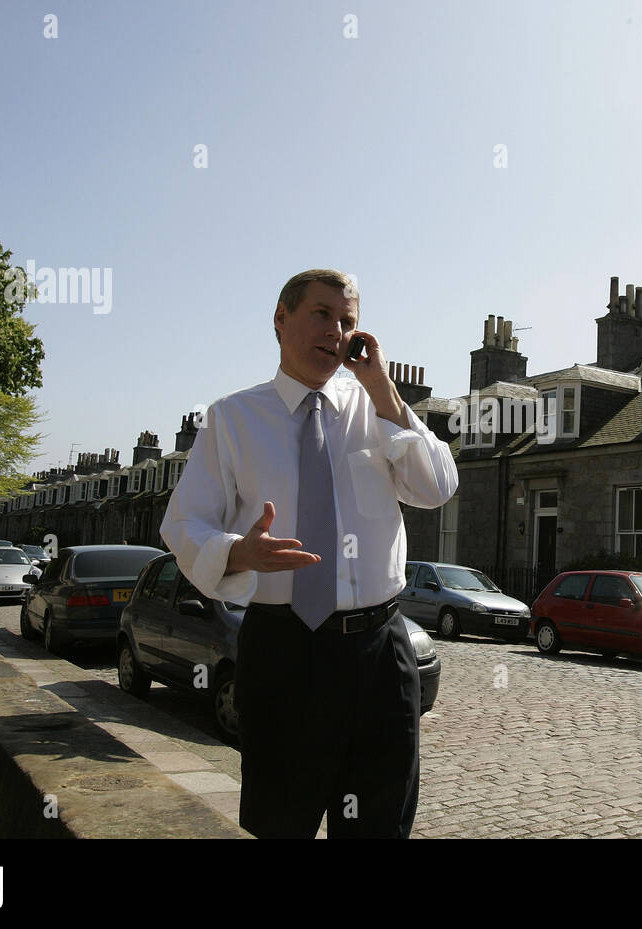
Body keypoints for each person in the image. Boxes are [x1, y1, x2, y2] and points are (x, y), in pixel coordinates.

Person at [160, 269, 457, 838]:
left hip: (380, 656)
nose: (336, 332)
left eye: (348, 322)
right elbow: (183, 524)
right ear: (281, 318)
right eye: (322, 314)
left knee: (379, 828)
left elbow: (436, 487)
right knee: (280, 825)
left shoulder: (378, 408)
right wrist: (238, 551)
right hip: (283, 651)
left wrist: (388, 393)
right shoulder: (232, 418)